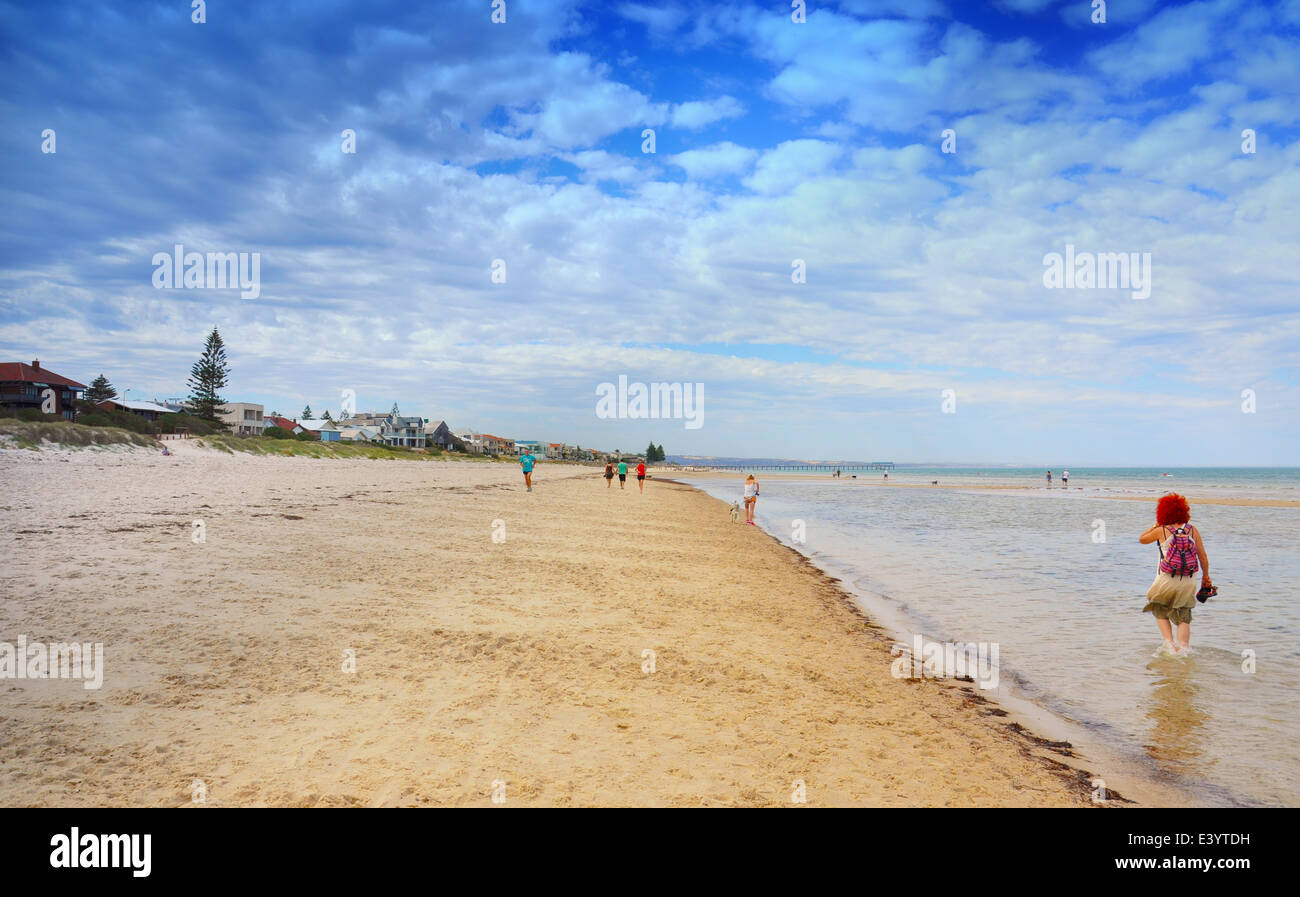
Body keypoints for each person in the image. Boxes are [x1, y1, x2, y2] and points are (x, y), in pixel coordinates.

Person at [1139, 493, 1212, 656]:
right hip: (1189, 579)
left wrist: (1154, 526)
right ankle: (1184, 649)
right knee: (1184, 614)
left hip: (1166, 577)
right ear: (1184, 511)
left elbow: (1142, 539)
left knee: (1158, 606)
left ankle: (1169, 643)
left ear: (1163, 512)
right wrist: (1206, 576)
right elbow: (1203, 556)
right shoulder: (1192, 530)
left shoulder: (1161, 530)